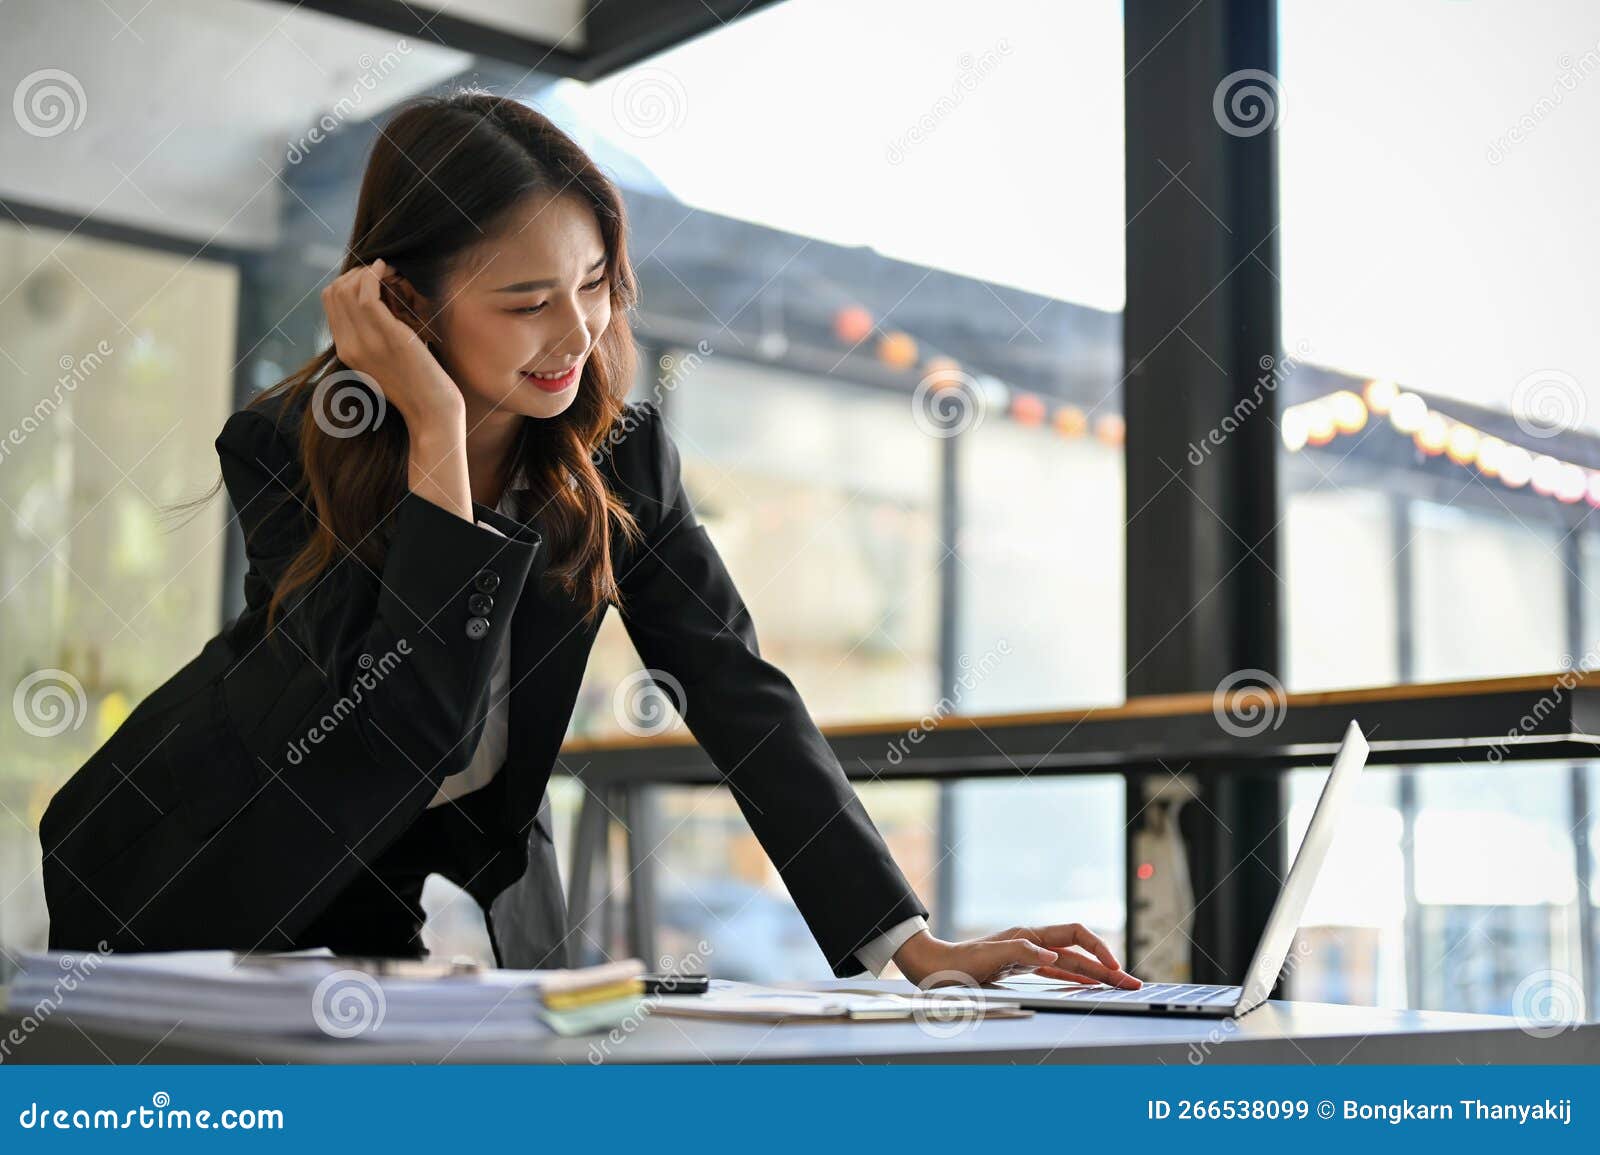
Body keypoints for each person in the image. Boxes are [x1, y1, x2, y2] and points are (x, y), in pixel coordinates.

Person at [39, 90, 1140, 993]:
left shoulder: (612, 453)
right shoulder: (292, 443)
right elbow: (402, 719)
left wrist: (910, 946)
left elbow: (731, 683)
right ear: (406, 305)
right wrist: (432, 430)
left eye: (594, 284)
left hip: (389, 913)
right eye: (526, 301)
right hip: (193, 884)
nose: (578, 334)